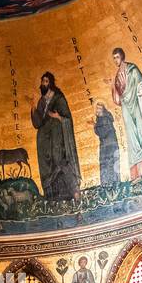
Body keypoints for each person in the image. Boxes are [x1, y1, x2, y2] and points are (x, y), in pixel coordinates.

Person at [111, 48, 142, 180]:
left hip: (138, 104)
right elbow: (117, 100)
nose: (115, 60)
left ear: (122, 56)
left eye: (117, 57)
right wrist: (112, 85)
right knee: (133, 139)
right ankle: (137, 175)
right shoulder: (117, 77)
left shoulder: (132, 69)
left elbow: (141, 83)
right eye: (114, 58)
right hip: (127, 109)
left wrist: (139, 90)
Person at [30, 72, 81, 200]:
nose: (43, 84)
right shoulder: (42, 101)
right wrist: (33, 107)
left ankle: (74, 192)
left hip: (58, 137)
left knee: (60, 161)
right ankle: (53, 197)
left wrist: (57, 117)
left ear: (51, 83)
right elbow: (38, 123)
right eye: (42, 81)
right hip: (45, 141)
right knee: (48, 166)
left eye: (46, 81)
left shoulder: (58, 98)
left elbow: (67, 118)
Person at [93, 102, 121, 186]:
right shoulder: (101, 118)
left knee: (110, 162)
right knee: (106, 162)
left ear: (103, 109)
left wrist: (94, 125)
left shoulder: (105, 118)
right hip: (106, 144)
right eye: (96, 108)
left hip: (109, 145)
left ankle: (113, 181)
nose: (97, 110)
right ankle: (108, 182)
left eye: (99, 108)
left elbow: (103, 132)